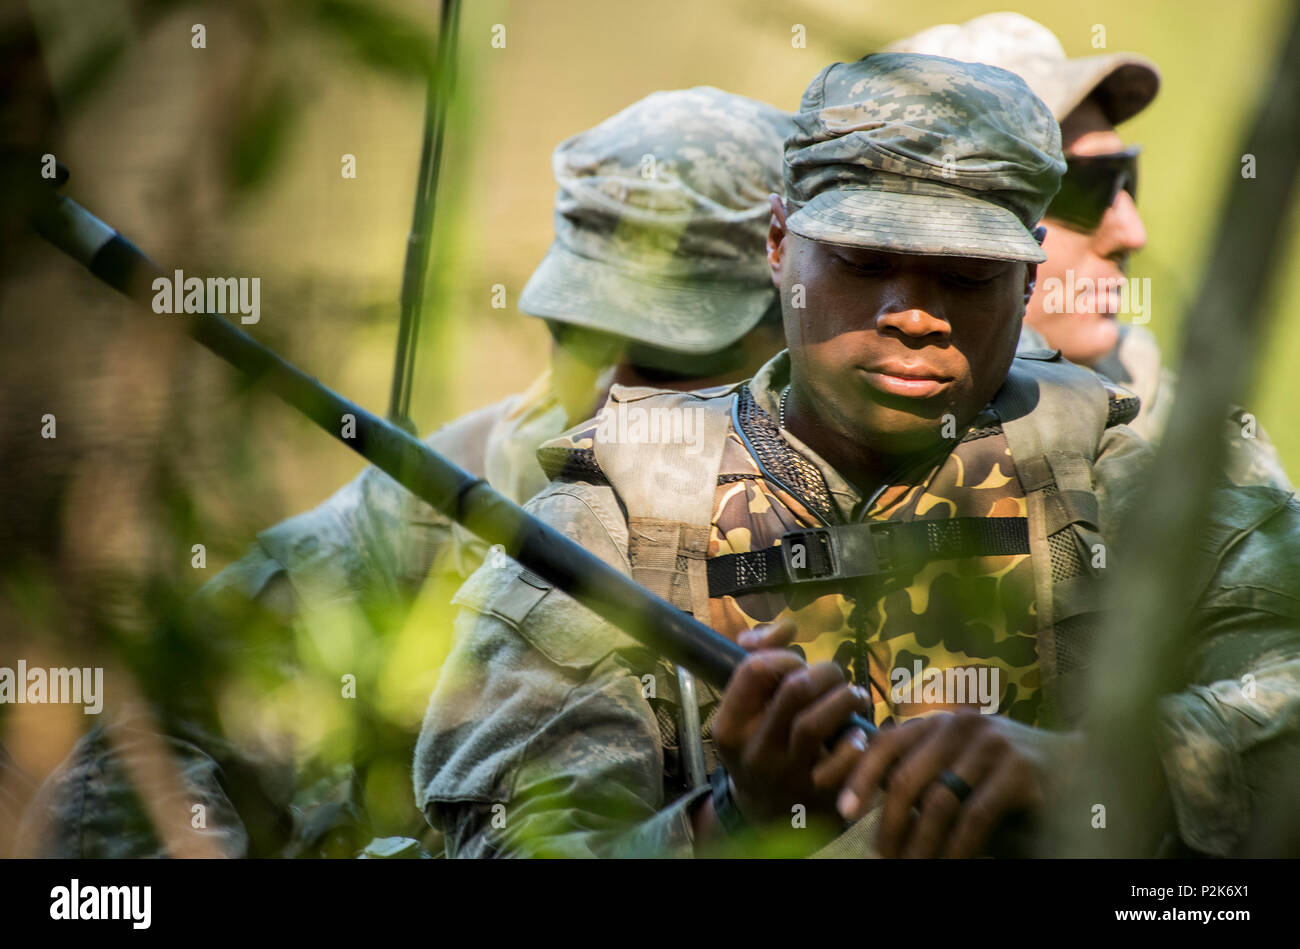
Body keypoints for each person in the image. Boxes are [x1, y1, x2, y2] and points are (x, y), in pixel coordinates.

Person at [413, 52, 1300, 859]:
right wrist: (736, 820)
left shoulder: (1136, 468)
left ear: (1030, 276)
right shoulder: (615, 509)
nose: (913, 313)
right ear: (776, 243)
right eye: (864, 260)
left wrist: (1098, 773)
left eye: (964, 275)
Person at [18, 87, 793, 859]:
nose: (600, 392)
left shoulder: (875, 516)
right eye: (576, 337)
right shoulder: (440, 505)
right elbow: (135, 758)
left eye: (666, 361)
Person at [889, 12, 1291, 489]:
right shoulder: (805, 440)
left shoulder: (1205, 456)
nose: (1130, 233)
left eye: (1125, 179)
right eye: (1081, 190)